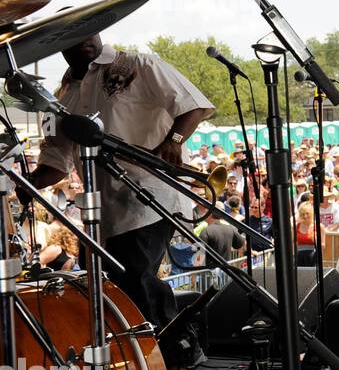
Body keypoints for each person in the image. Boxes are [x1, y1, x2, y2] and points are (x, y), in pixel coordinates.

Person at [29, 32, 214, 332]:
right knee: (101, 286)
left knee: (135, 277)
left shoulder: (138, 64)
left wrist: (175, 140)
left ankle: (175, 356)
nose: (86, 37)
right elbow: (54, 164)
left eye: (93, 28)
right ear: (59, 43)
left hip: (149, 198)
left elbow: (194, 105)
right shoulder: (60, 99)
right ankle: (133, 362)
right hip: (101, 213)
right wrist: (21, 183)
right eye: (76, 33)